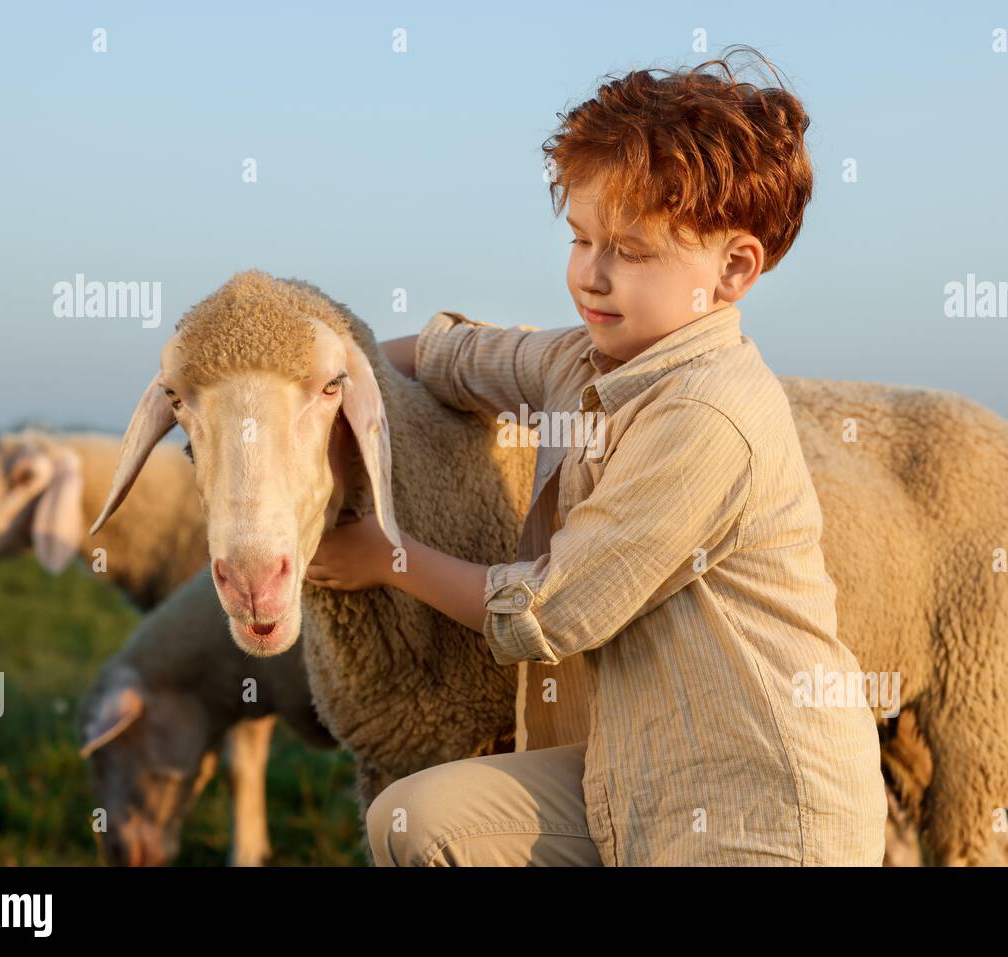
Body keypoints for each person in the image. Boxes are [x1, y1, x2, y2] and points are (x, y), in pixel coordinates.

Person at [305, 45, 887, 866]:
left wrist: (389, 558)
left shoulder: (708, 416)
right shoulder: (580, 360)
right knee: (418, 823)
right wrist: (323, 377)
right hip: (631, 771)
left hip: (760, 806)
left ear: (734, 268)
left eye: (632, 250)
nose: (592, 275)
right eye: (581, 238)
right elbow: (449, 357)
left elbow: (545, 610)